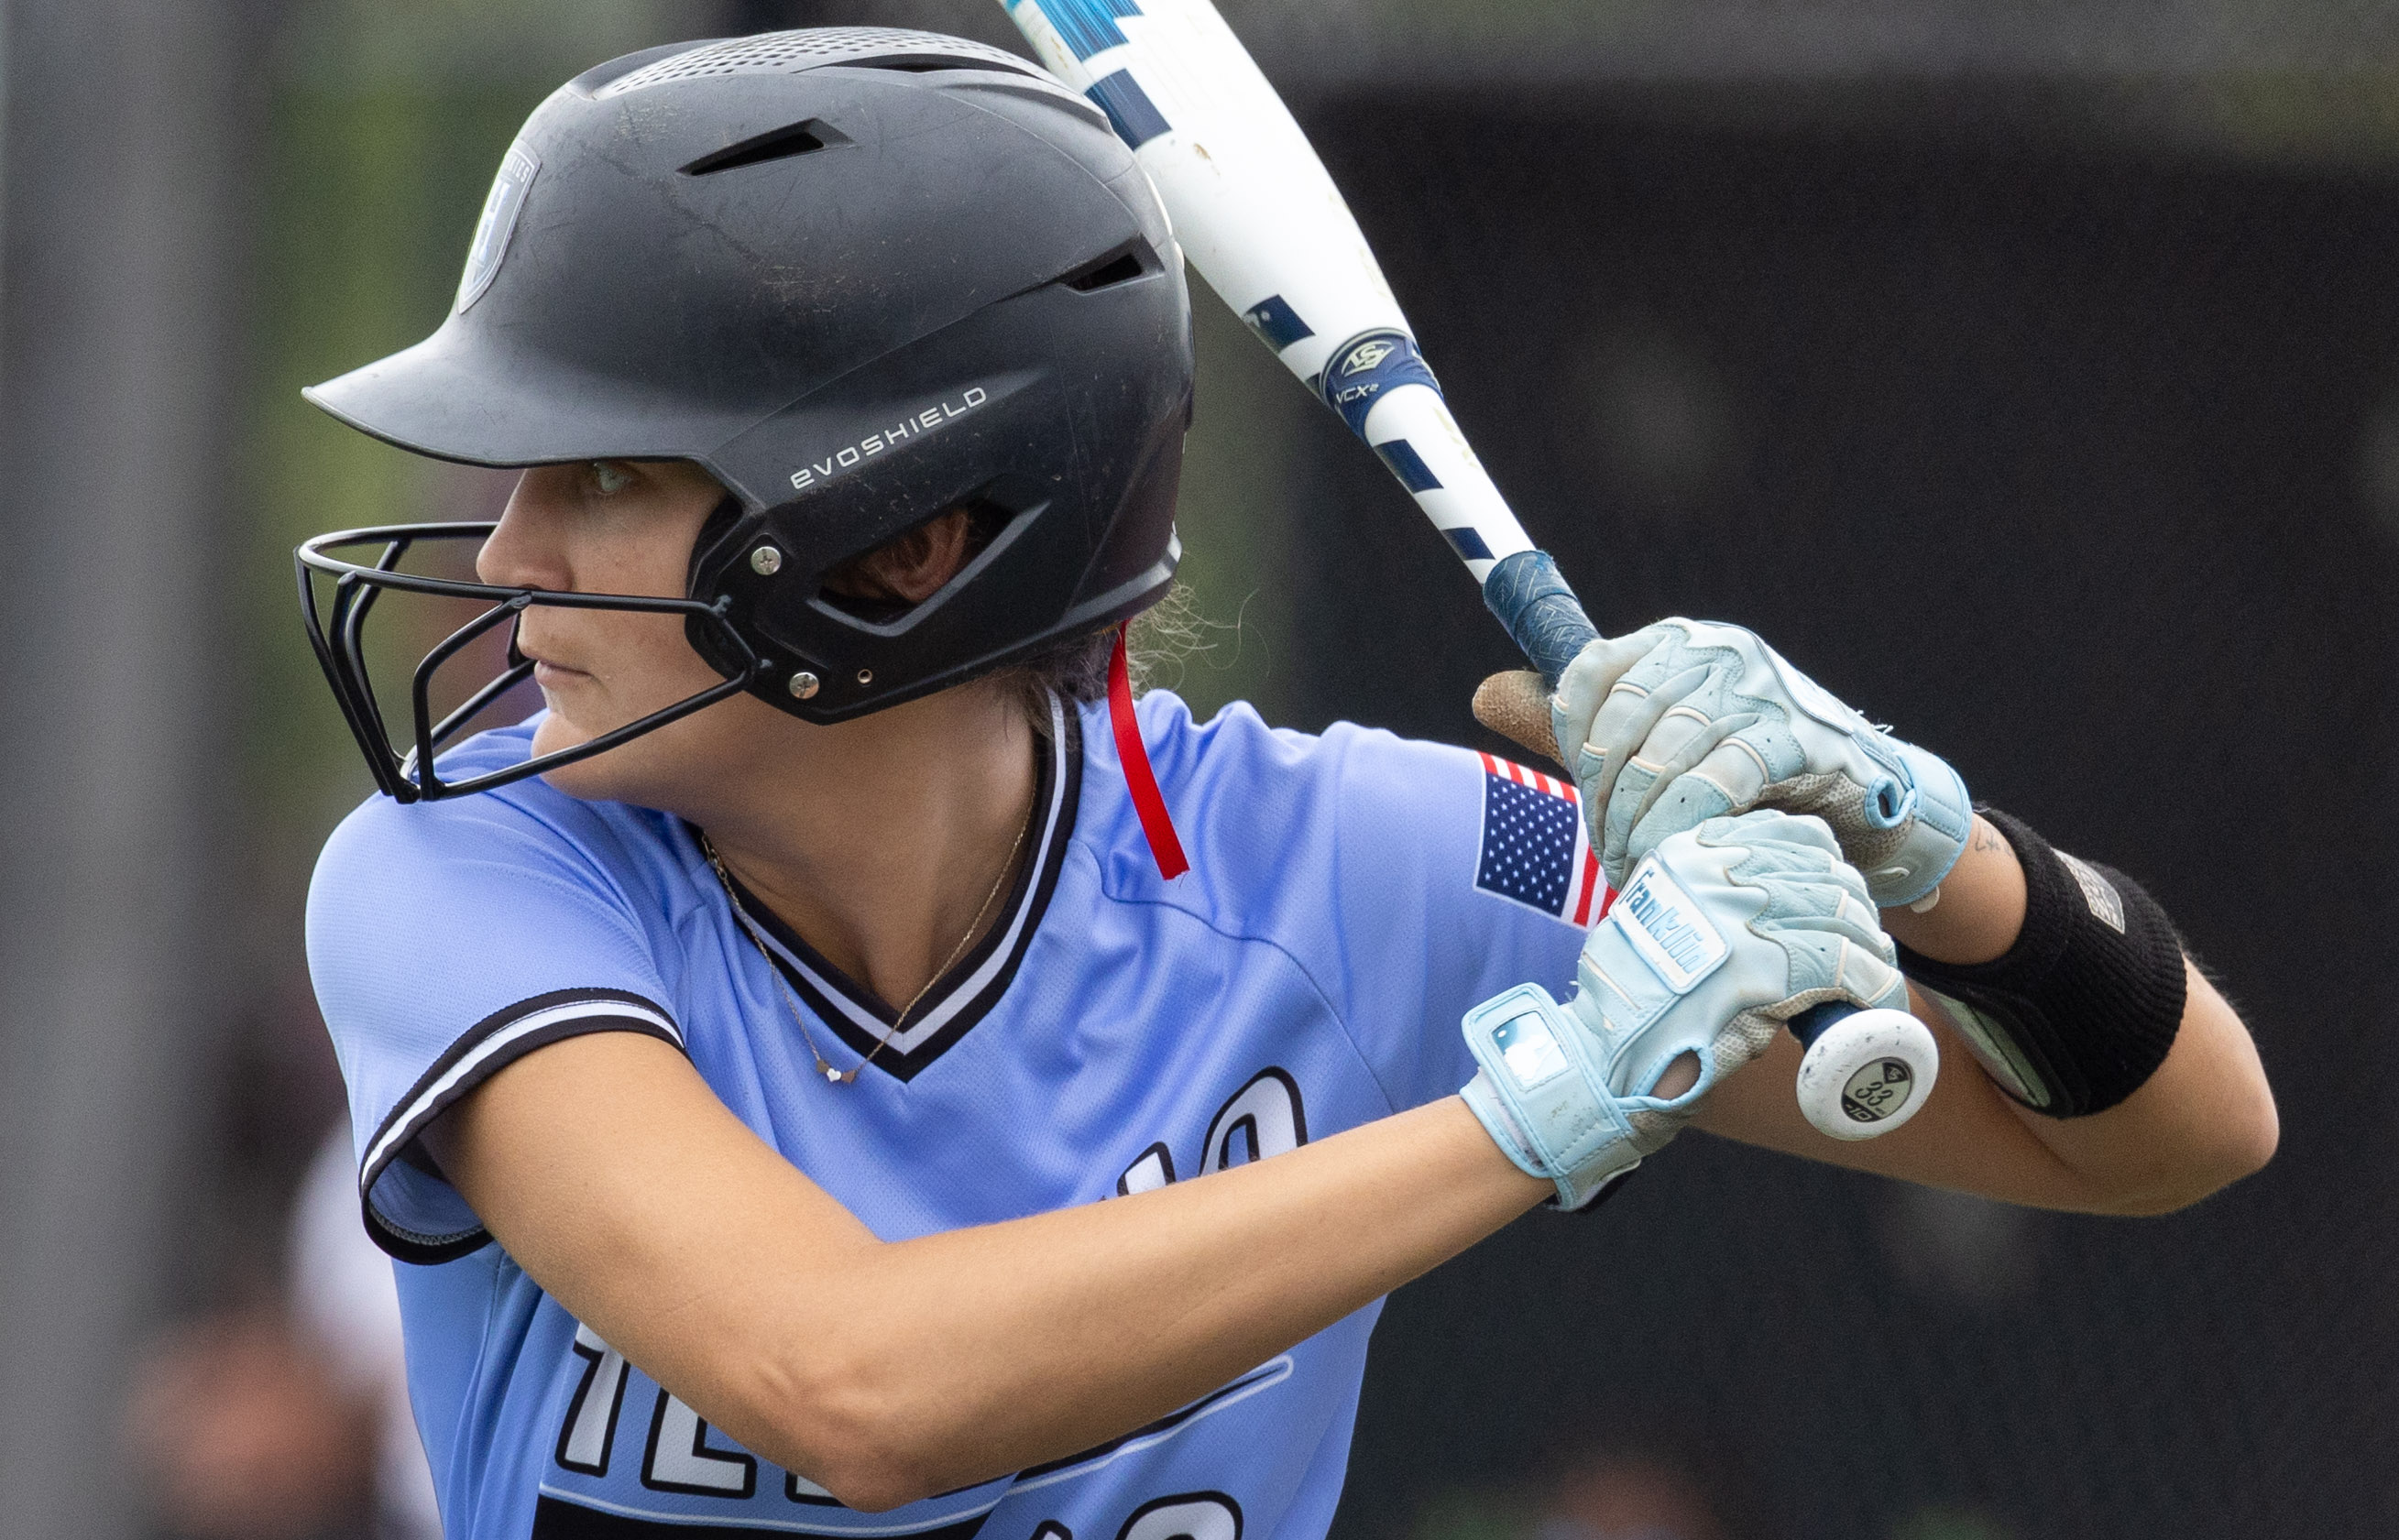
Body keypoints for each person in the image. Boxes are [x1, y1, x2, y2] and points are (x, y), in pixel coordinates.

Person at [295, 28, 2275, 1540]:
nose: (510, 552)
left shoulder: (1350, 864)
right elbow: (842, 1372)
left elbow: (2168, 1132)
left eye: (609, 475)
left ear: (900, 543)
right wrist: (1550, 1106)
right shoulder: (470, 869)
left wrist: (1920, 840)